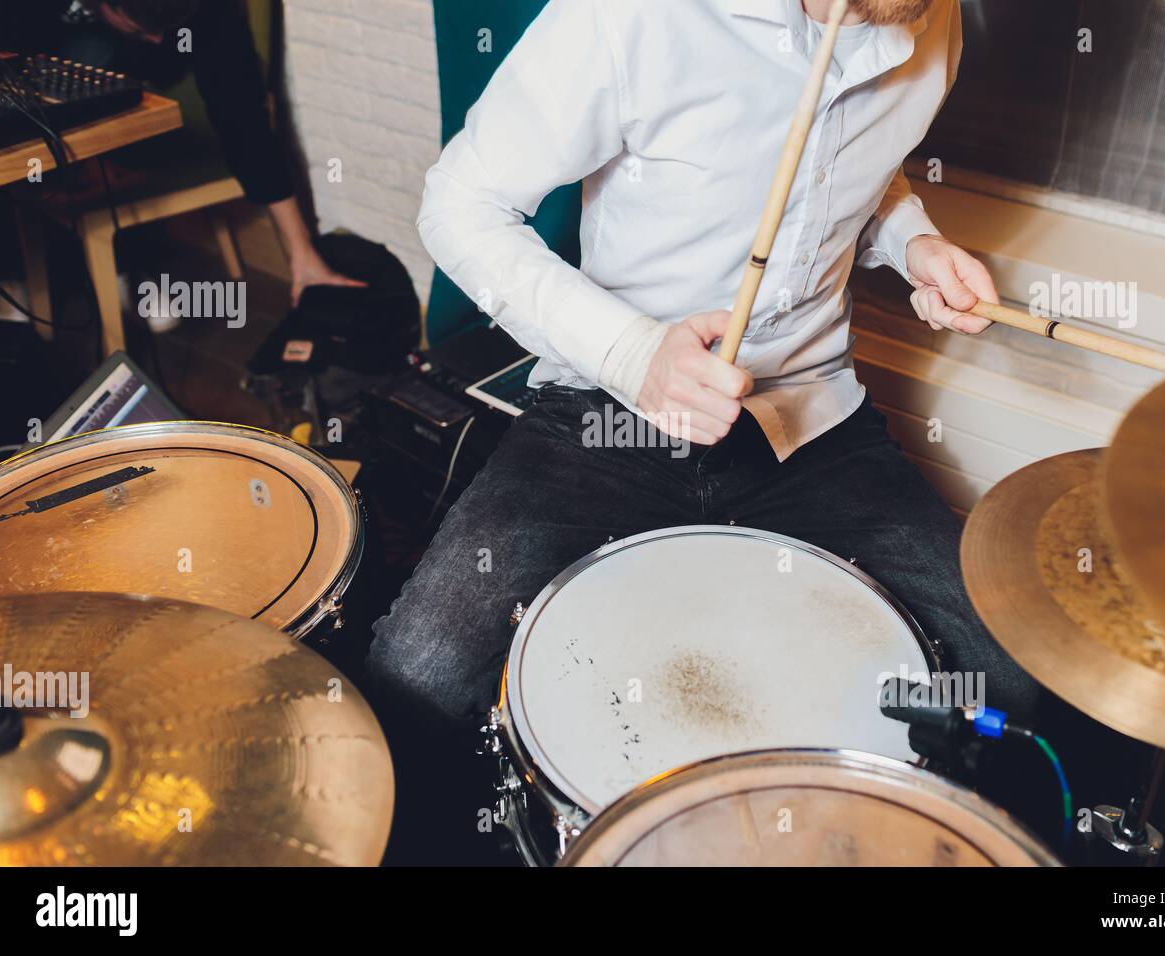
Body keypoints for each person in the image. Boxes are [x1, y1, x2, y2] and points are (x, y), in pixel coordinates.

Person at [370, 0, 1037, 766]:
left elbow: (854, 165)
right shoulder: (634, 16)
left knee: (1003, 682)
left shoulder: (929, 17)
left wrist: (911, 241)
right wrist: (634, 356)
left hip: (811, 417)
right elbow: (462, 204)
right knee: (415, 682)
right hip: (608, 412)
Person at [0, 0, 363, 306]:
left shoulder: (209, 10)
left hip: (137, 97)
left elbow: (243, 119)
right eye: (144, 28)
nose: (159, 38)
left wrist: (302, 252)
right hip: (26, 60)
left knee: (110, 60)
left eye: (167, 25)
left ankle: (134, 261)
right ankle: (11, 273)